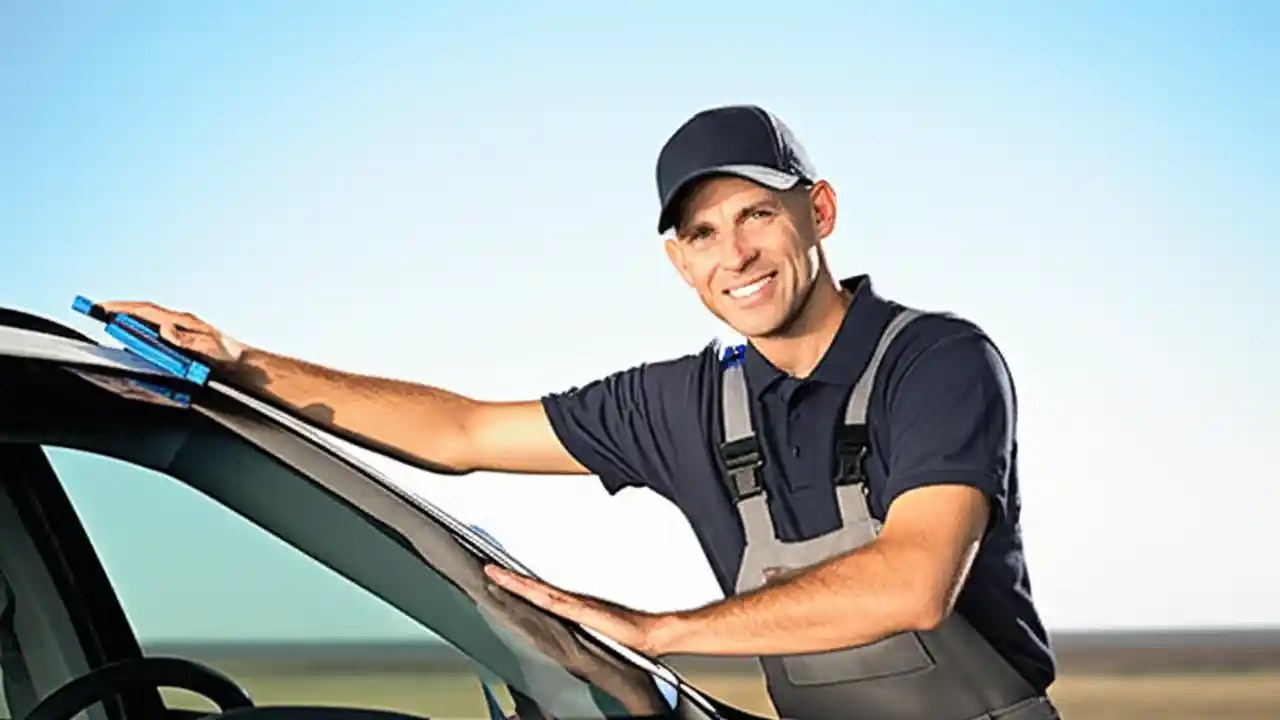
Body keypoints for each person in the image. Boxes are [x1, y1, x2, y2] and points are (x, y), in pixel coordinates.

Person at [100, 104, 1059, 719]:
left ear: (821, 211)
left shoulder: (936, 362)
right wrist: (240, 360)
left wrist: (657, 631)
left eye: (758, 214)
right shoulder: (685, 403)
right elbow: (462, 431)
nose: (738, 255)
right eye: (702, 233)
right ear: (680, 262)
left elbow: (914, 581)